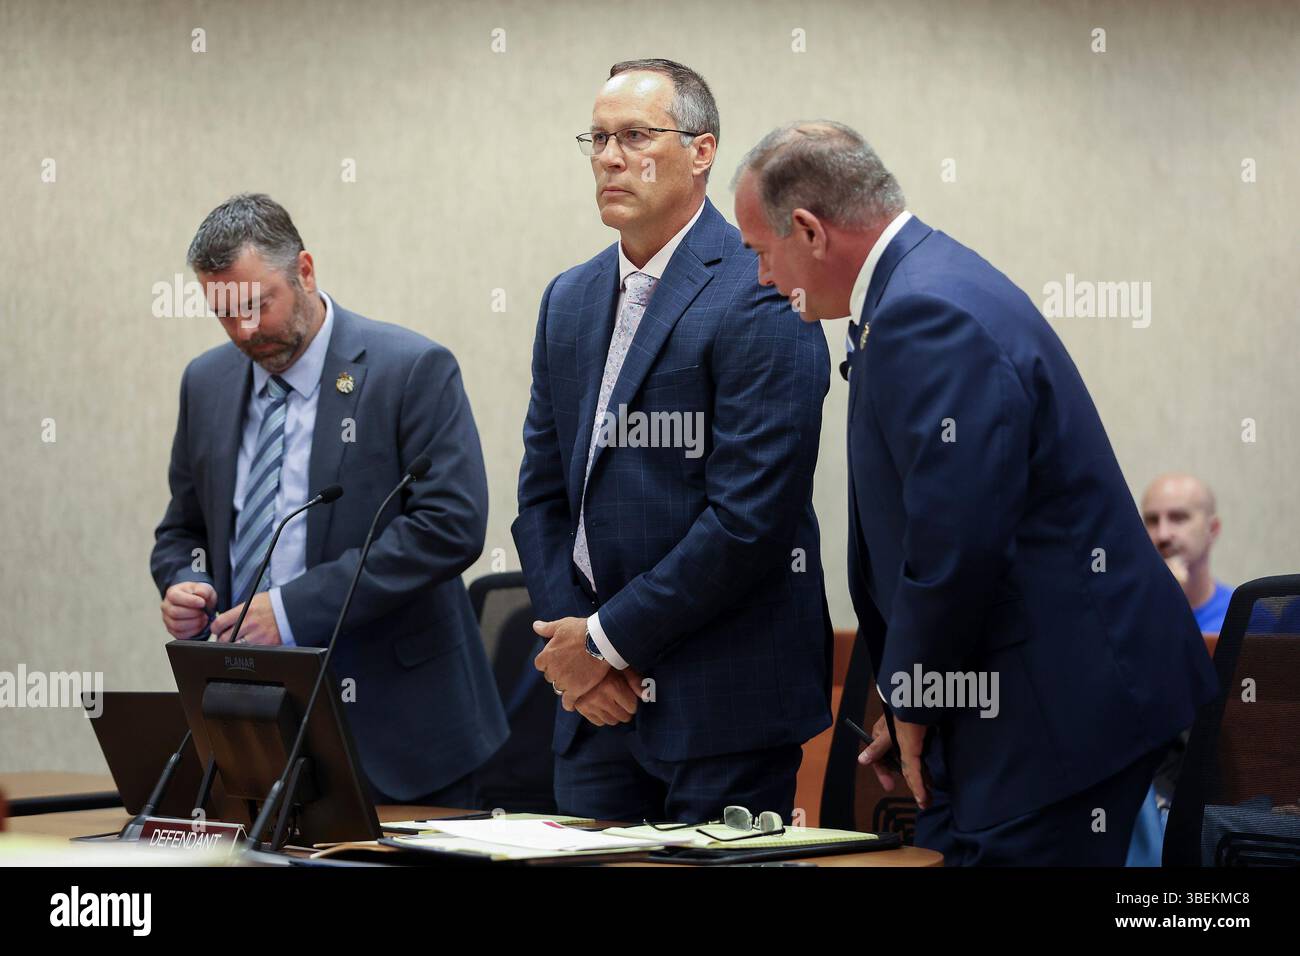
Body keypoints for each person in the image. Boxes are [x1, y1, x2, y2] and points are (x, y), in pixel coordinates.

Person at [732, 121, 1218, 865]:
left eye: (761, 254)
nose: (762, 279)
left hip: (1054, 713)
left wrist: (918, 695)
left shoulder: (927, 313)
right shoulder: (926, 283)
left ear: (809, 230)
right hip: (1010, 701)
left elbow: (956, 542)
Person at [513, 60, 833, 823]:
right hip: (593, 713)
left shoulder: (760, 287)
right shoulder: (569, 297)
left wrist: (605, 642)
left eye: (634, 136)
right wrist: (576, 658)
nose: (610, 157)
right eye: (597, 139)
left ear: (701, 151)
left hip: (723, 707)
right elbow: (542, 495)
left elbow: (747, 522)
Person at [151, 193, 507, 807]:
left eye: (259, 305)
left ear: (305, 271)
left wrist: (289, 611)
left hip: (402, 732)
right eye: (223, 314)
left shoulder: (410, 369)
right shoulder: (205, 383)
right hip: (258, 727)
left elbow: (449, 525)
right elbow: (182, 530)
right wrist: (187, 582)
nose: (245, 330)